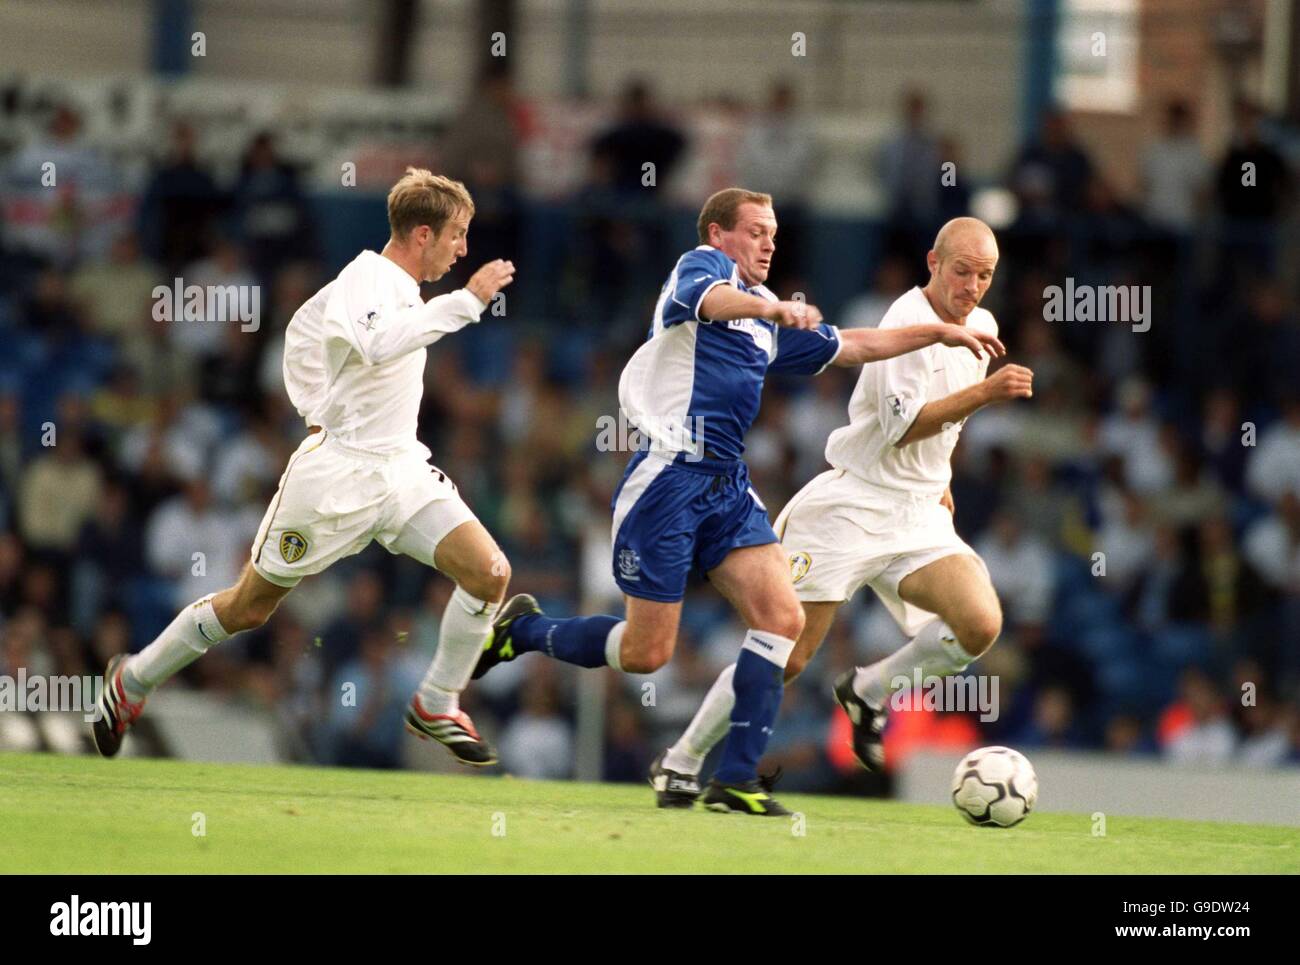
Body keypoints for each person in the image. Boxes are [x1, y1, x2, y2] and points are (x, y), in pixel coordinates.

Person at [472, 190, 1004, 815]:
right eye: (755, 231)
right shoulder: (702, 271)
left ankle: (736, 780)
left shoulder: (761, 324)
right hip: (668, 480)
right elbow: (709, 302)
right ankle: (527, 630)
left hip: (727, 484)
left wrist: (936, 333)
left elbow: (855, 345)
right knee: (648, 654)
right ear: (720, 234)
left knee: (781, 621)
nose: (769, 243)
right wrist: (774, 307)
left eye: (774, 233)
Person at [92, 168, 517, 766]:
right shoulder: (367, 278)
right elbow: (378, 344)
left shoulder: (401, 290)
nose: (463, 248)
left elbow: (324, 338)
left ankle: (436, 701)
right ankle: (132, 681)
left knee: (490, 573)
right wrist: (467, 302)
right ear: (423, 234)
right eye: (458, 234)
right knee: (249, 607)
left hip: (400, 470)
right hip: (335, 477)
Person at [658, 217, 1032, 793]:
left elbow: (941, 435)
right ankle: (681, 761)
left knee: (980, 622)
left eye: (985, 275)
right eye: (962, 271)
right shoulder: (907, 321)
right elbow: (902, 427)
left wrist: (942, 482)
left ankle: (868, 691)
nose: (973, 286)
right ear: (933, 263)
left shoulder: (982, 324)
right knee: (785, 657)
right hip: (852, 505)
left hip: (918, 511)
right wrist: (987, 393)